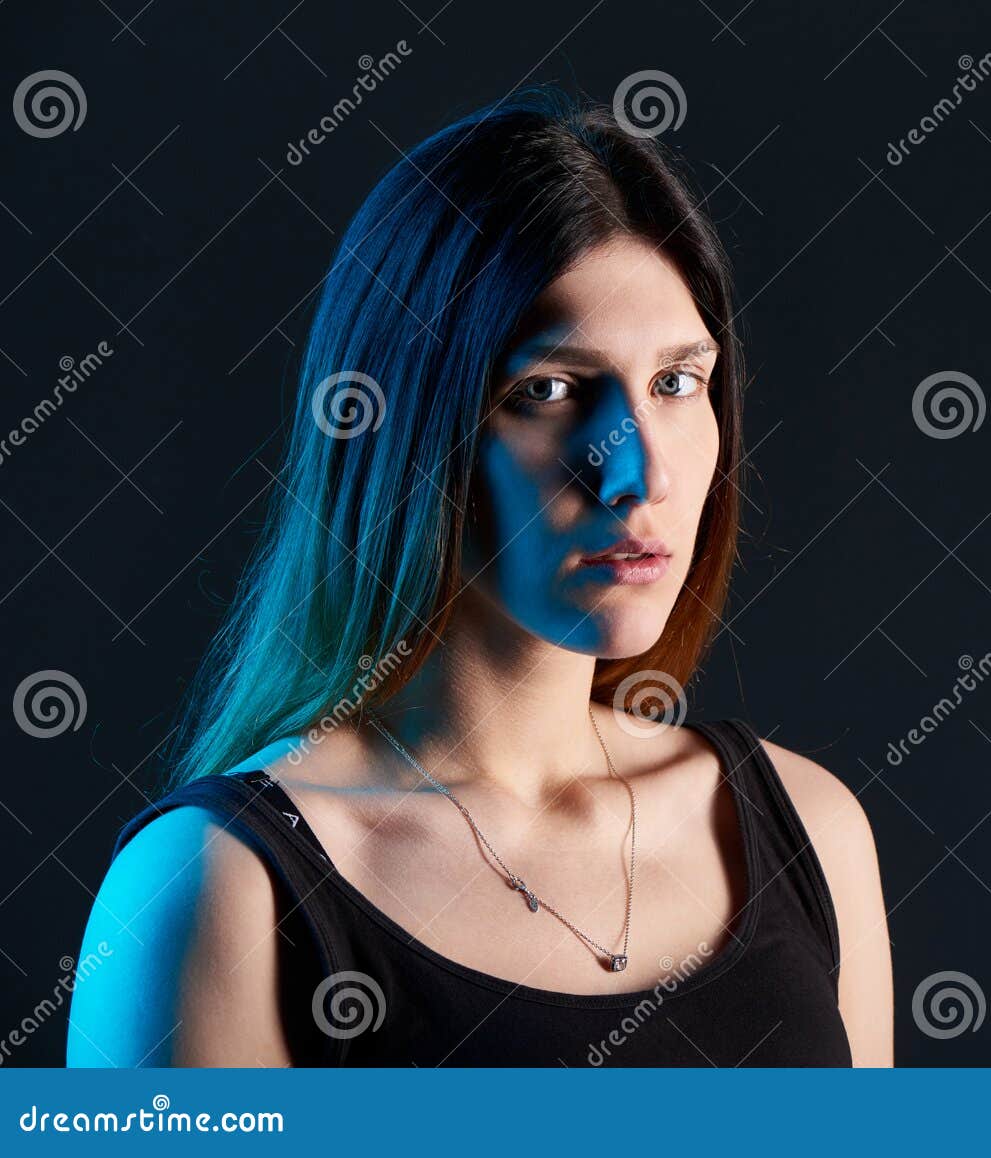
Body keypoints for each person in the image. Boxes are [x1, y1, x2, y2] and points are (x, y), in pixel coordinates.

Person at [66, 88, 893, 1067]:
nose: (639, 474)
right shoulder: (215, 889)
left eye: (676, 382)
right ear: (407, 426)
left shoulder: (811, 832)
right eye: (549, 391)